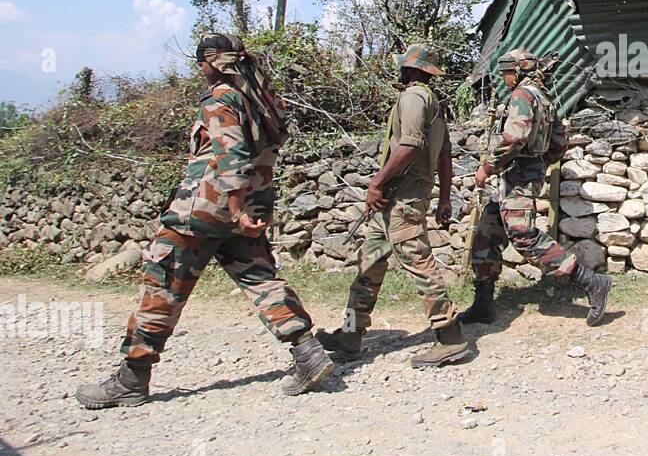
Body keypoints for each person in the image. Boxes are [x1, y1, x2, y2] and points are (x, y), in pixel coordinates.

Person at [76, 34, 333, 408]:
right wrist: (246, 211)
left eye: (200, 63)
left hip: (204, 211)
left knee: (163, 283)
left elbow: (232, 152)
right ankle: (307, 353)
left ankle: (133, 377)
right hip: (248, 208)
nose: (200, 70)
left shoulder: (221, 97)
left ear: (211, 62)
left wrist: (233, 207)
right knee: (260, 277)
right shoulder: (264, 100)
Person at [316, 44, 468, 367]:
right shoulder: (437, 103)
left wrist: (376, 184)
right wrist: (442, 198)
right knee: (369, 262)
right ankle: (350, 334)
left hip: (403, 196)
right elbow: (444, 156)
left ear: (410, 69)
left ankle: (450, 336)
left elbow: (411, 145)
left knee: (417, 260)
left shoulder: (414, 97)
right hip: (399, 197)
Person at [461, 48, 612, 327]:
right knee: (487, 232)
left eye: (506, 71)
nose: (504, 77)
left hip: (517, 173)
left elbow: (513, 138)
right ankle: (483, 303)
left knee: (523, 235)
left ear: (519, 70)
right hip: (523, 171)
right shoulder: (544, 97)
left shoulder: (522, 95)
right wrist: (539, 164)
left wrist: (488, 167)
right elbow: (558, 142)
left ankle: (591, 282)